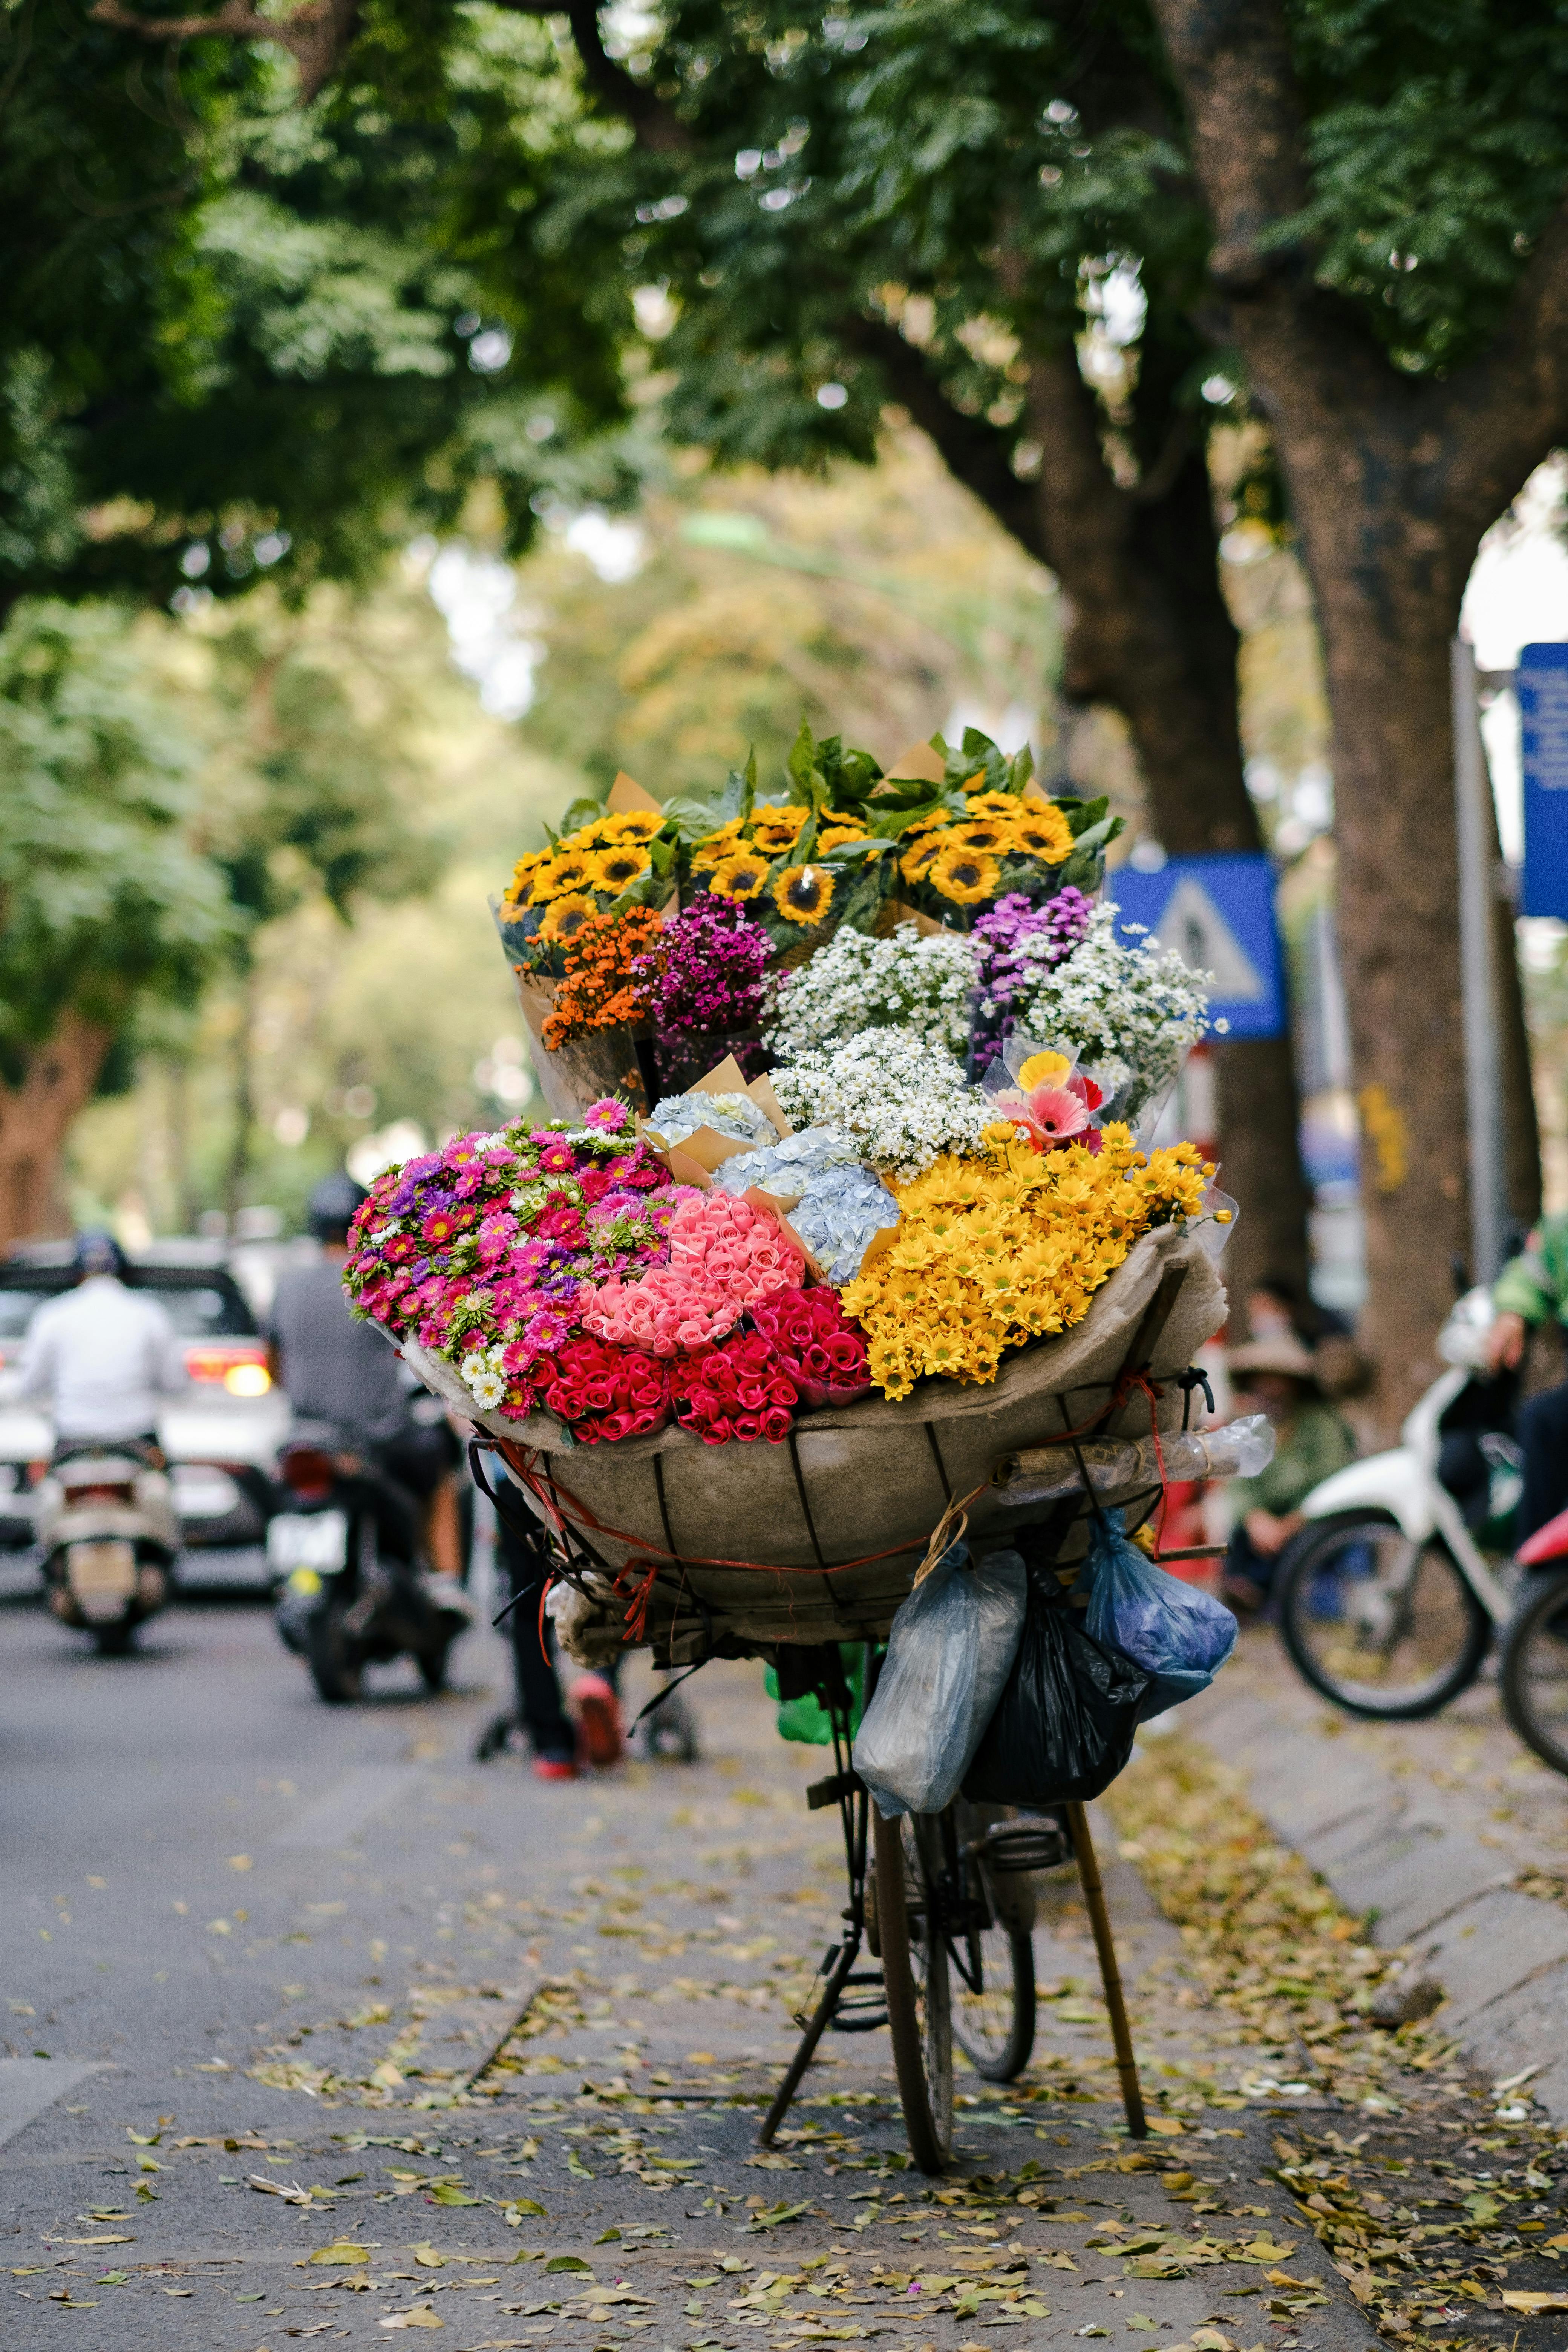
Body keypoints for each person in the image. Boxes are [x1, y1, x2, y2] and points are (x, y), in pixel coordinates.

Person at [266, 1173, 465, 1576]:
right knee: (441, 1478)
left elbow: (272, 1367)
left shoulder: (287, 1288)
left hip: (306, 1435)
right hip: (379, 1435)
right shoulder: (378, 1282)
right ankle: (445, 1579)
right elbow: (420, 1358)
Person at [19, 1231, 188, 1458]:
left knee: (42, 1490)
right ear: (123, 1271)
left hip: (72, 1439)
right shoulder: (149, 1314)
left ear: (77, 1272)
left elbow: (30, 1384)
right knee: (162, 1490)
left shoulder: (52, 1315)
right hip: (138, 1440)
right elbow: (175, 1383)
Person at [1222, 1332, 1356, 1611]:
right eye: (1263, 1377)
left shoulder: (1322, 1424)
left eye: (1278, 1378)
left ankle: (1265, 1596)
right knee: (1239, 1537)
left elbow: (1330, 1479)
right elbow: (1238, 1483)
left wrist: (1292, 1523)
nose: (1270, 1387)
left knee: (1299, 1547)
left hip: (1312, 1516)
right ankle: (1244, 1594)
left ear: (1294, 1383)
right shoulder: (1247, 1425)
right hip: (1265, 1522)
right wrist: (1256, 1518)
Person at [1488, 1219, 1568, 1539]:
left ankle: (1542, 1575)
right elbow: (1531, 1272)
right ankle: (1544, 1574)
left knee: (1543, 1421)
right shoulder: (1561, 1230)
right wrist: (1512, 1312)